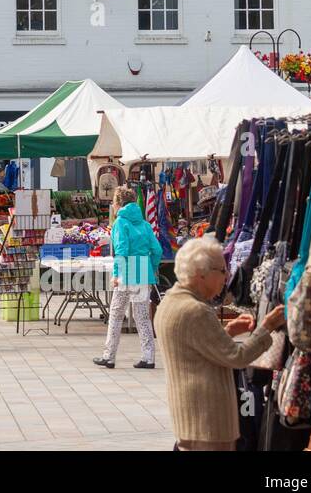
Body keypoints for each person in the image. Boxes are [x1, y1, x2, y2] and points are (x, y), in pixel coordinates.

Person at [154, 235, 286, 451]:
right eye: (222, 271)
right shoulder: (195, 311)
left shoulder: (170, 302)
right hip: (207, 421)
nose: (227, 277)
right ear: (201, 274)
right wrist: (267, 327)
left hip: (192, 418)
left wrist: (227, 332)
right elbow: (236, 357)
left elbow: (198, 348)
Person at [94, 188, 163, 369]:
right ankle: (149, 357)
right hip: (142, 269)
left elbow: (121, 251)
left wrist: (117, 274)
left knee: (116, 314)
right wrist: (152, 268)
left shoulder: (120, 223)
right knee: (142, 316)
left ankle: (109, 355)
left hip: (127, 270)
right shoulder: (145, 224)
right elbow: (157, 250)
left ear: (118, 203)